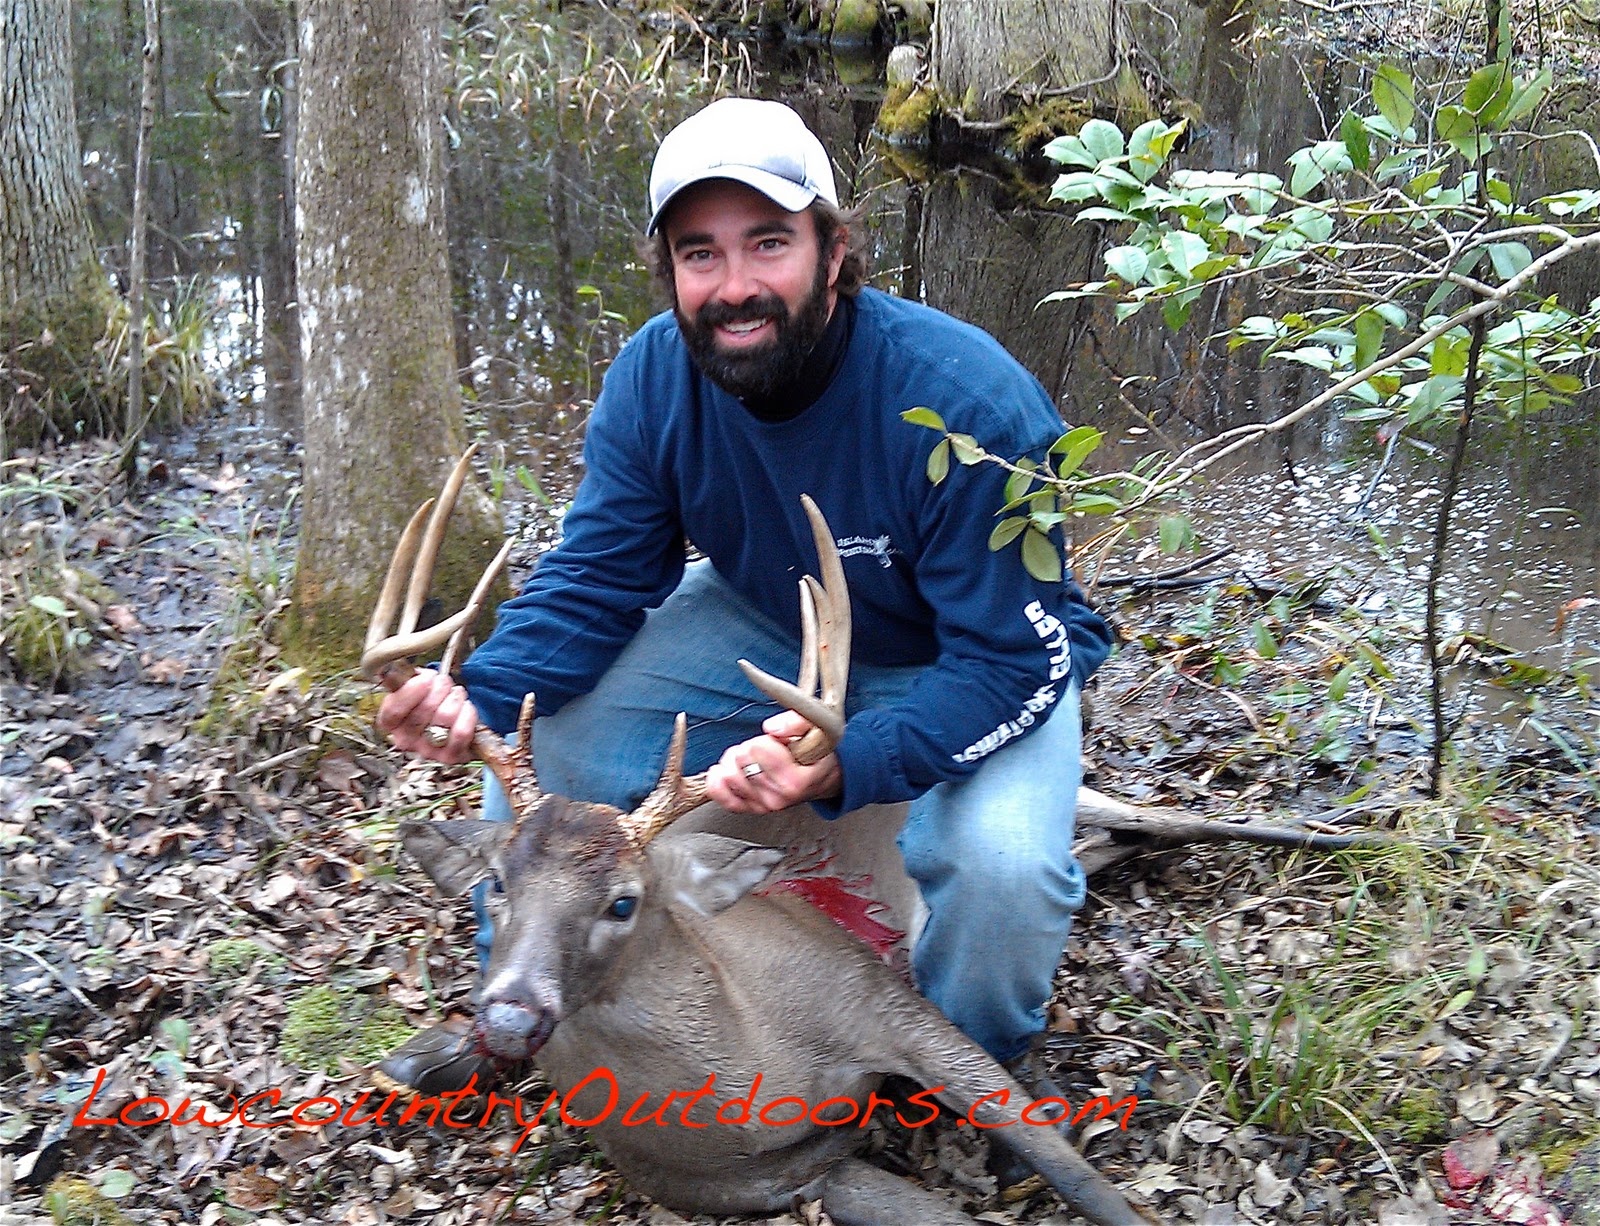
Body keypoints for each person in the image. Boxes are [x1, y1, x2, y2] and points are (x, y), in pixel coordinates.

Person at [376, 98, 1114, 1108]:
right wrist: (479, 692)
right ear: (669, 270)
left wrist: (847, 761)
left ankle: (949, 1076)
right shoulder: (654, 376)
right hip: (768, 617)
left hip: (966, 656)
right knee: (538, 731)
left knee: (998, 874)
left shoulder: (967, 405)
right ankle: (513, 1003)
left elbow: (1010, 662)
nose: (733, 287)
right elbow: (598, 573)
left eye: (767, 243)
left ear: (834, 248)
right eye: (699, 254)